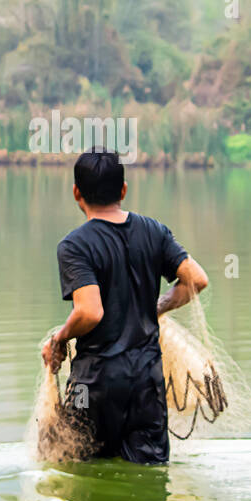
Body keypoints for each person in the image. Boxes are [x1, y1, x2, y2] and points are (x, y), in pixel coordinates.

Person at [42, 148, 209, 464]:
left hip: (94, 385)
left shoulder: (75, 246)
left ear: (76, 192)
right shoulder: (154, 231)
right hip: (147, 382)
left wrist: (60, 338)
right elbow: (196, 280)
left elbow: (90, 312)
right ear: (123, 190)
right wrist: (156, 306)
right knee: (149, 473)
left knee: (84, 471)